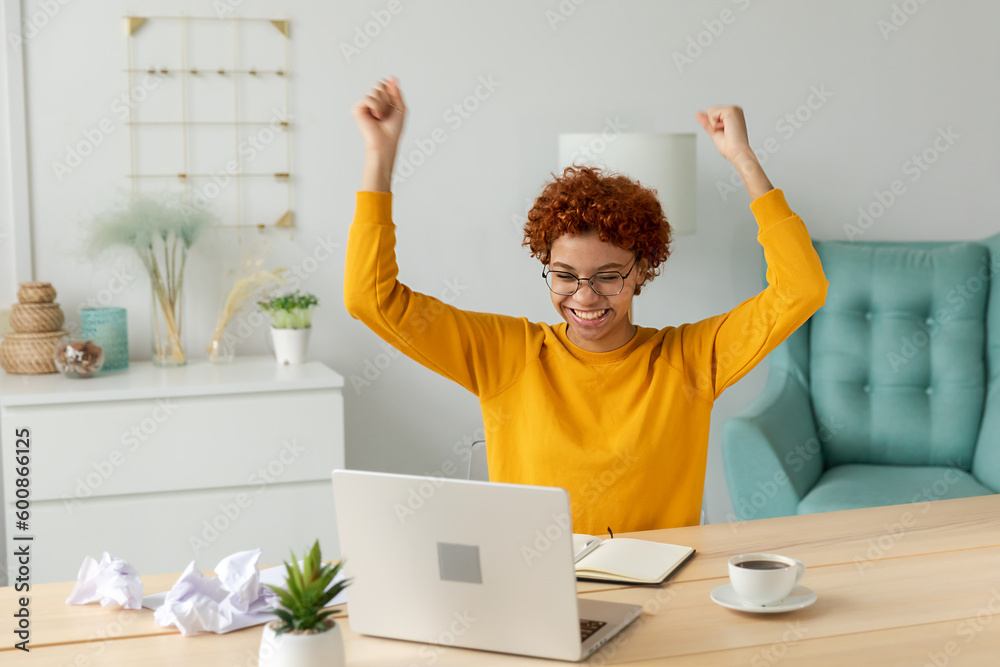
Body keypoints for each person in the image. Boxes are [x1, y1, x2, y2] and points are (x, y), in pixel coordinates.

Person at [346, 76, 828, 534]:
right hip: (538, 584)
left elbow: (802, 287)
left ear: (641, 271)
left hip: (662, 588)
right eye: (564, 276)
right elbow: (371, 297)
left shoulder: (690, 360)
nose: (584, 296)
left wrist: (743, 159)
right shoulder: (507, 354)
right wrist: (378, 156)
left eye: (608, 276)